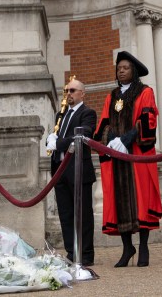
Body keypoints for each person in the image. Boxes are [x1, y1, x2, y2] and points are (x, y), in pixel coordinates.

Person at [96, 50, 162, 267]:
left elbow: (147, 118)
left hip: (136, 154)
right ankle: (127, 248)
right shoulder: (111, 96)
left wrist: (126, 140)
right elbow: (104, 123)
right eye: (119, 68)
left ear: (133, 71)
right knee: (119, 199)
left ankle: (143, 246)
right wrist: (112, 140)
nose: (121, 71)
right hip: (117, 156)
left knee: (141, 200)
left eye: (125, 68)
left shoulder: (145, 92)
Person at [45, 78, 96, 266]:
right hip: (60, 169)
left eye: (73, 90)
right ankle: (71, 252)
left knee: (82, 213)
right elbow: (56, 138)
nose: (69, 93)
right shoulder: (61, 114)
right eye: (67, 90)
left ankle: (86, 254)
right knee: (65, 213)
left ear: (82, 93)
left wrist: (57, 142)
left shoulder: (87, 113)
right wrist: (50, 140)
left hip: (78, 169)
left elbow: (82, 135)